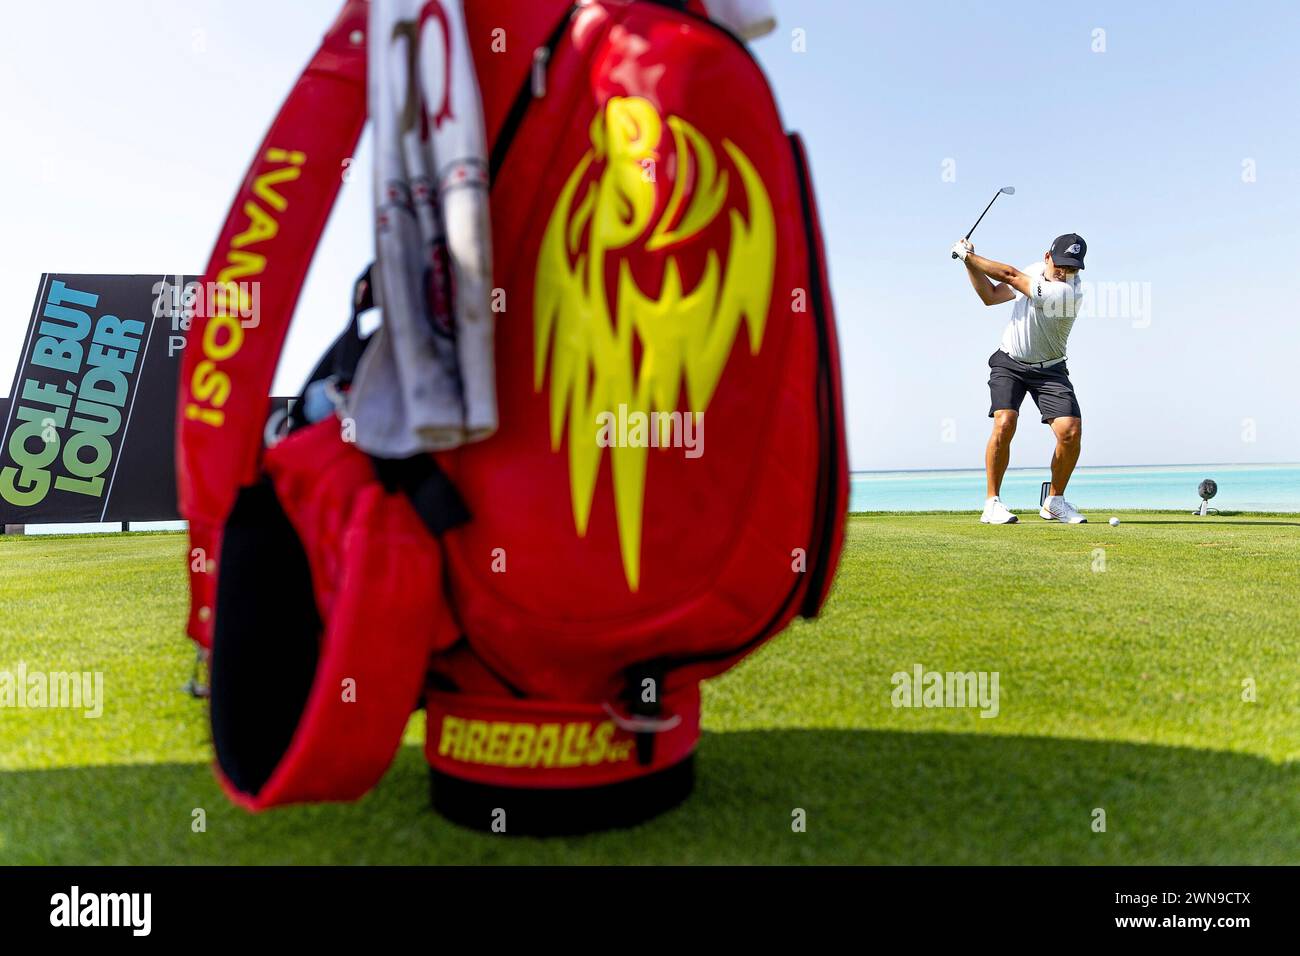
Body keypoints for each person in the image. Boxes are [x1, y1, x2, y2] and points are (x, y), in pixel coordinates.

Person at [951, 233, 1088, 524]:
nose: (1065, 273)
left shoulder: (1068, 294)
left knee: (1070, 432)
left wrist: (968, 256)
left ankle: (1055, 502)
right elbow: (991, 297)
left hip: (1050, 368)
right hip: (1009, 362)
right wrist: (969, 264)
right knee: (1004, 422)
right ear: (1048, 257)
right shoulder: (1036, 270)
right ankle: (992, 503)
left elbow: (1011, 276)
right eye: (1061, 265)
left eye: (1073, 268)